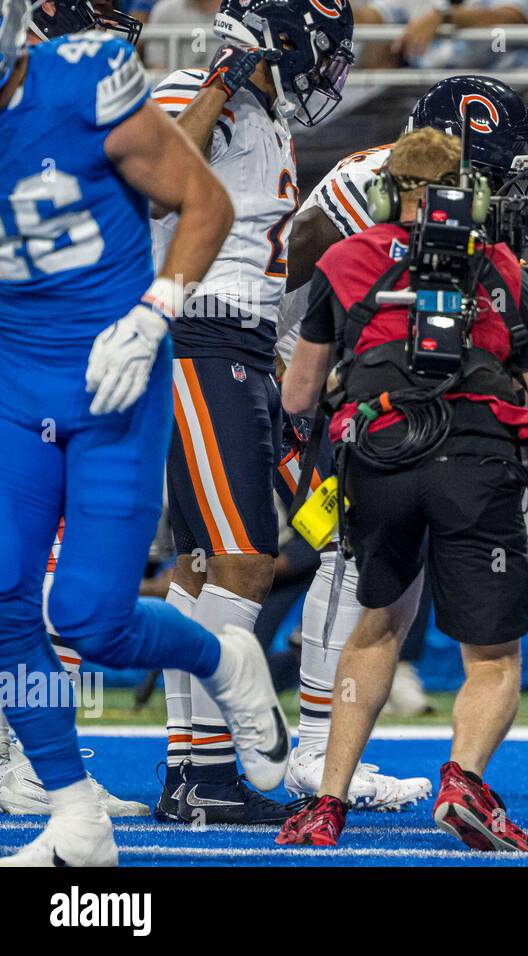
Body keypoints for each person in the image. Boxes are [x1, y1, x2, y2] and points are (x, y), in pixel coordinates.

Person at [0, 0, 287, 865]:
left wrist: (155, 315)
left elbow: (201, 201)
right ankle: (74, 812)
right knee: (6, 589)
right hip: (16, 382)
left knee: (89, 616)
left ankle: (224, 660)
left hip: (114, 369)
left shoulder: (83, 79)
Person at [274, 125, 528, 852]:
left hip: (379, 460)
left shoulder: (343, 260)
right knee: (491, 658)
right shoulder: (503, 267)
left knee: (375, 629)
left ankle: (326, 805)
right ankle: (463, 782)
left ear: (383, 191)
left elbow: (298, 396)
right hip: (478, 464)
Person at [150, 0, 355, 826]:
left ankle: (193, 773)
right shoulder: (186, 90)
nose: (326, 71)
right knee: (246, 560)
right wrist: (222, 79)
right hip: (196, 339)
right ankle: (219, 752)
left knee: (202, 566)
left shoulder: (270, 119)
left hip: (240, 347)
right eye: (321, 52)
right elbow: (160, 176)